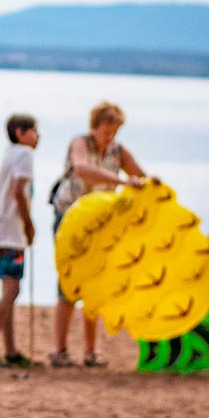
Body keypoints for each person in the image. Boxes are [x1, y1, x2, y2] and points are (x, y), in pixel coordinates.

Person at [49, 101, 148, 368]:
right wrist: (122, 181)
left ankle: (90, 352)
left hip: (102, 225)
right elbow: (82, 169)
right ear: (95, 127)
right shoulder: (80, 143)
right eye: (106, 130)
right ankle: (59, 350)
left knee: (95, 285)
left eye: (114, 131)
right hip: (69, 219)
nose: (110, 136)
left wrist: (148, 188)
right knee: (68, 284)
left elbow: (141, 176)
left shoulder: (119, 150)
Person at [0, 114, 39, 369]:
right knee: (12, 291)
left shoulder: (10, 153)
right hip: (11, 231)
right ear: (20, 133)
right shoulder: (25, 155)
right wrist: (28, 224)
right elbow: (18, 192)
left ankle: (10, 351)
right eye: (33, 131)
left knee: (8, 291)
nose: (37, 136)